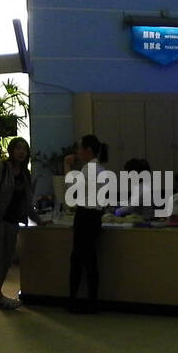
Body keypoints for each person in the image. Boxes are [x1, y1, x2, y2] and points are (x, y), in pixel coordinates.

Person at [0, 137, 31, 310]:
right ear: (11, 150)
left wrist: (39, 219)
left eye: (24, 149)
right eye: (18, 148)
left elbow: (27, 200)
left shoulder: (25, 174)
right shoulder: (1, 168)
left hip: (12, 221)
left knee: (7, 258)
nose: (21, 152)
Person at [64, 134, 106, 313]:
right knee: (91, 260)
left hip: (84, 217)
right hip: (95, 217)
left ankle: (74, 301)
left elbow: (71, 192)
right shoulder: (102, 170)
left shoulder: (88, 170)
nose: (77, 152)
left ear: (88, 150)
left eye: (79, 148)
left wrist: (66, 165)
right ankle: (92, 300)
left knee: (77, 260)